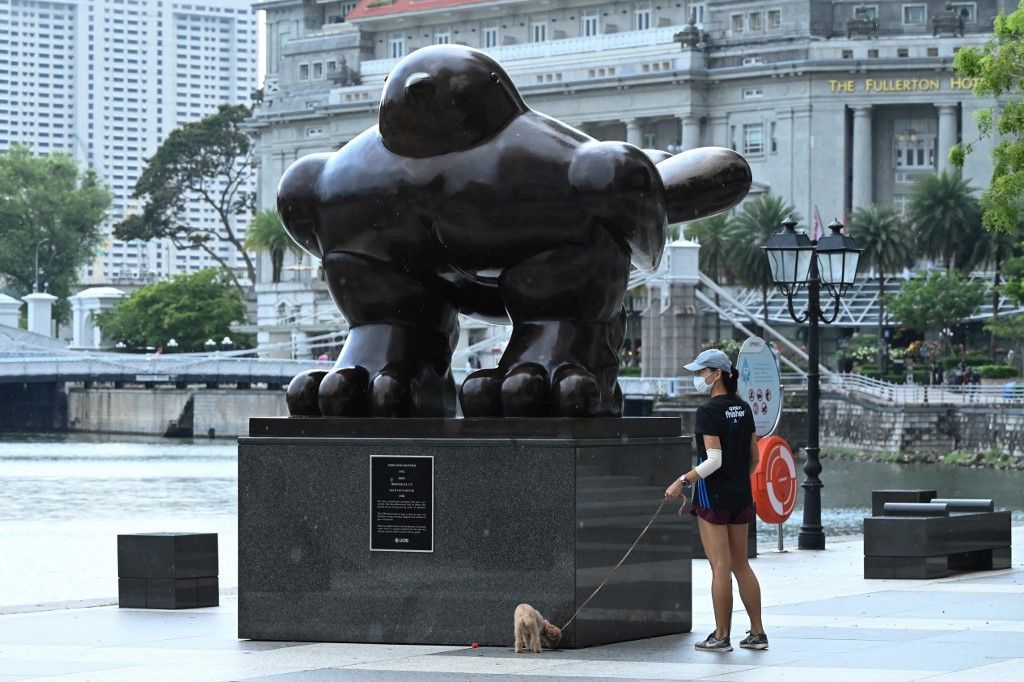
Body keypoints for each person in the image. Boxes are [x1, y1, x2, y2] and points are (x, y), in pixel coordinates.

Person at [664, 348, 767, 652]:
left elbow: (713, 461)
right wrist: (738, 481)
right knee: (741, 565)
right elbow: (754, 458)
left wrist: (682, 481)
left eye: (701, 372)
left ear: (717, 373)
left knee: (720, 566)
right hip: (740, 496)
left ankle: (721, 636)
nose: (699, 377)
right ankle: (757, 633)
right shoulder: (744, 408)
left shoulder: (708, 412)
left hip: (713, 498)